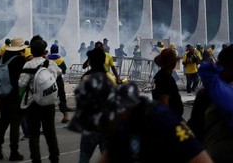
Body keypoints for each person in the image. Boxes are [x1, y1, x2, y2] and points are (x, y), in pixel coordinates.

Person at [70, 74, 212, 163]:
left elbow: (200, 159)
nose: (101, 130)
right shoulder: (120, 128)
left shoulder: (161, 119)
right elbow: (109, 156)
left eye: (101, 124)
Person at [19, 37, 61, 163]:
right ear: (45, 51)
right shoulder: (51, 64)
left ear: (31, 50)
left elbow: (21, 84)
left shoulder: (28, 64)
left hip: (33, 103)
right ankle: (54, 157)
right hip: (49, 102)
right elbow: (58, 73)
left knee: (34, 134)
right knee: (50, 132)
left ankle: (36, 158)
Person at [0, 37, 27, 161]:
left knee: (3, 122)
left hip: (3, 95)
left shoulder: (4, 57)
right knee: (14, 124)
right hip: (15, 96)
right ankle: (14, 152)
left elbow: (1, 77)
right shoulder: (20, 60)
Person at [152, 48, 183, 119]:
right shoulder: (165, 78)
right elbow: (164, 101)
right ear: (172, 63)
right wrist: (168, 121)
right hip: (170, 118)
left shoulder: (160, 75)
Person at [48, 43, 71, 123]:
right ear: (57, 50)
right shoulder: (60, 59)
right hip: (58, 80)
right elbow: (64, 69)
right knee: (62, 97)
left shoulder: (47, 59)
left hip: (48, 80)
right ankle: (65, 115)